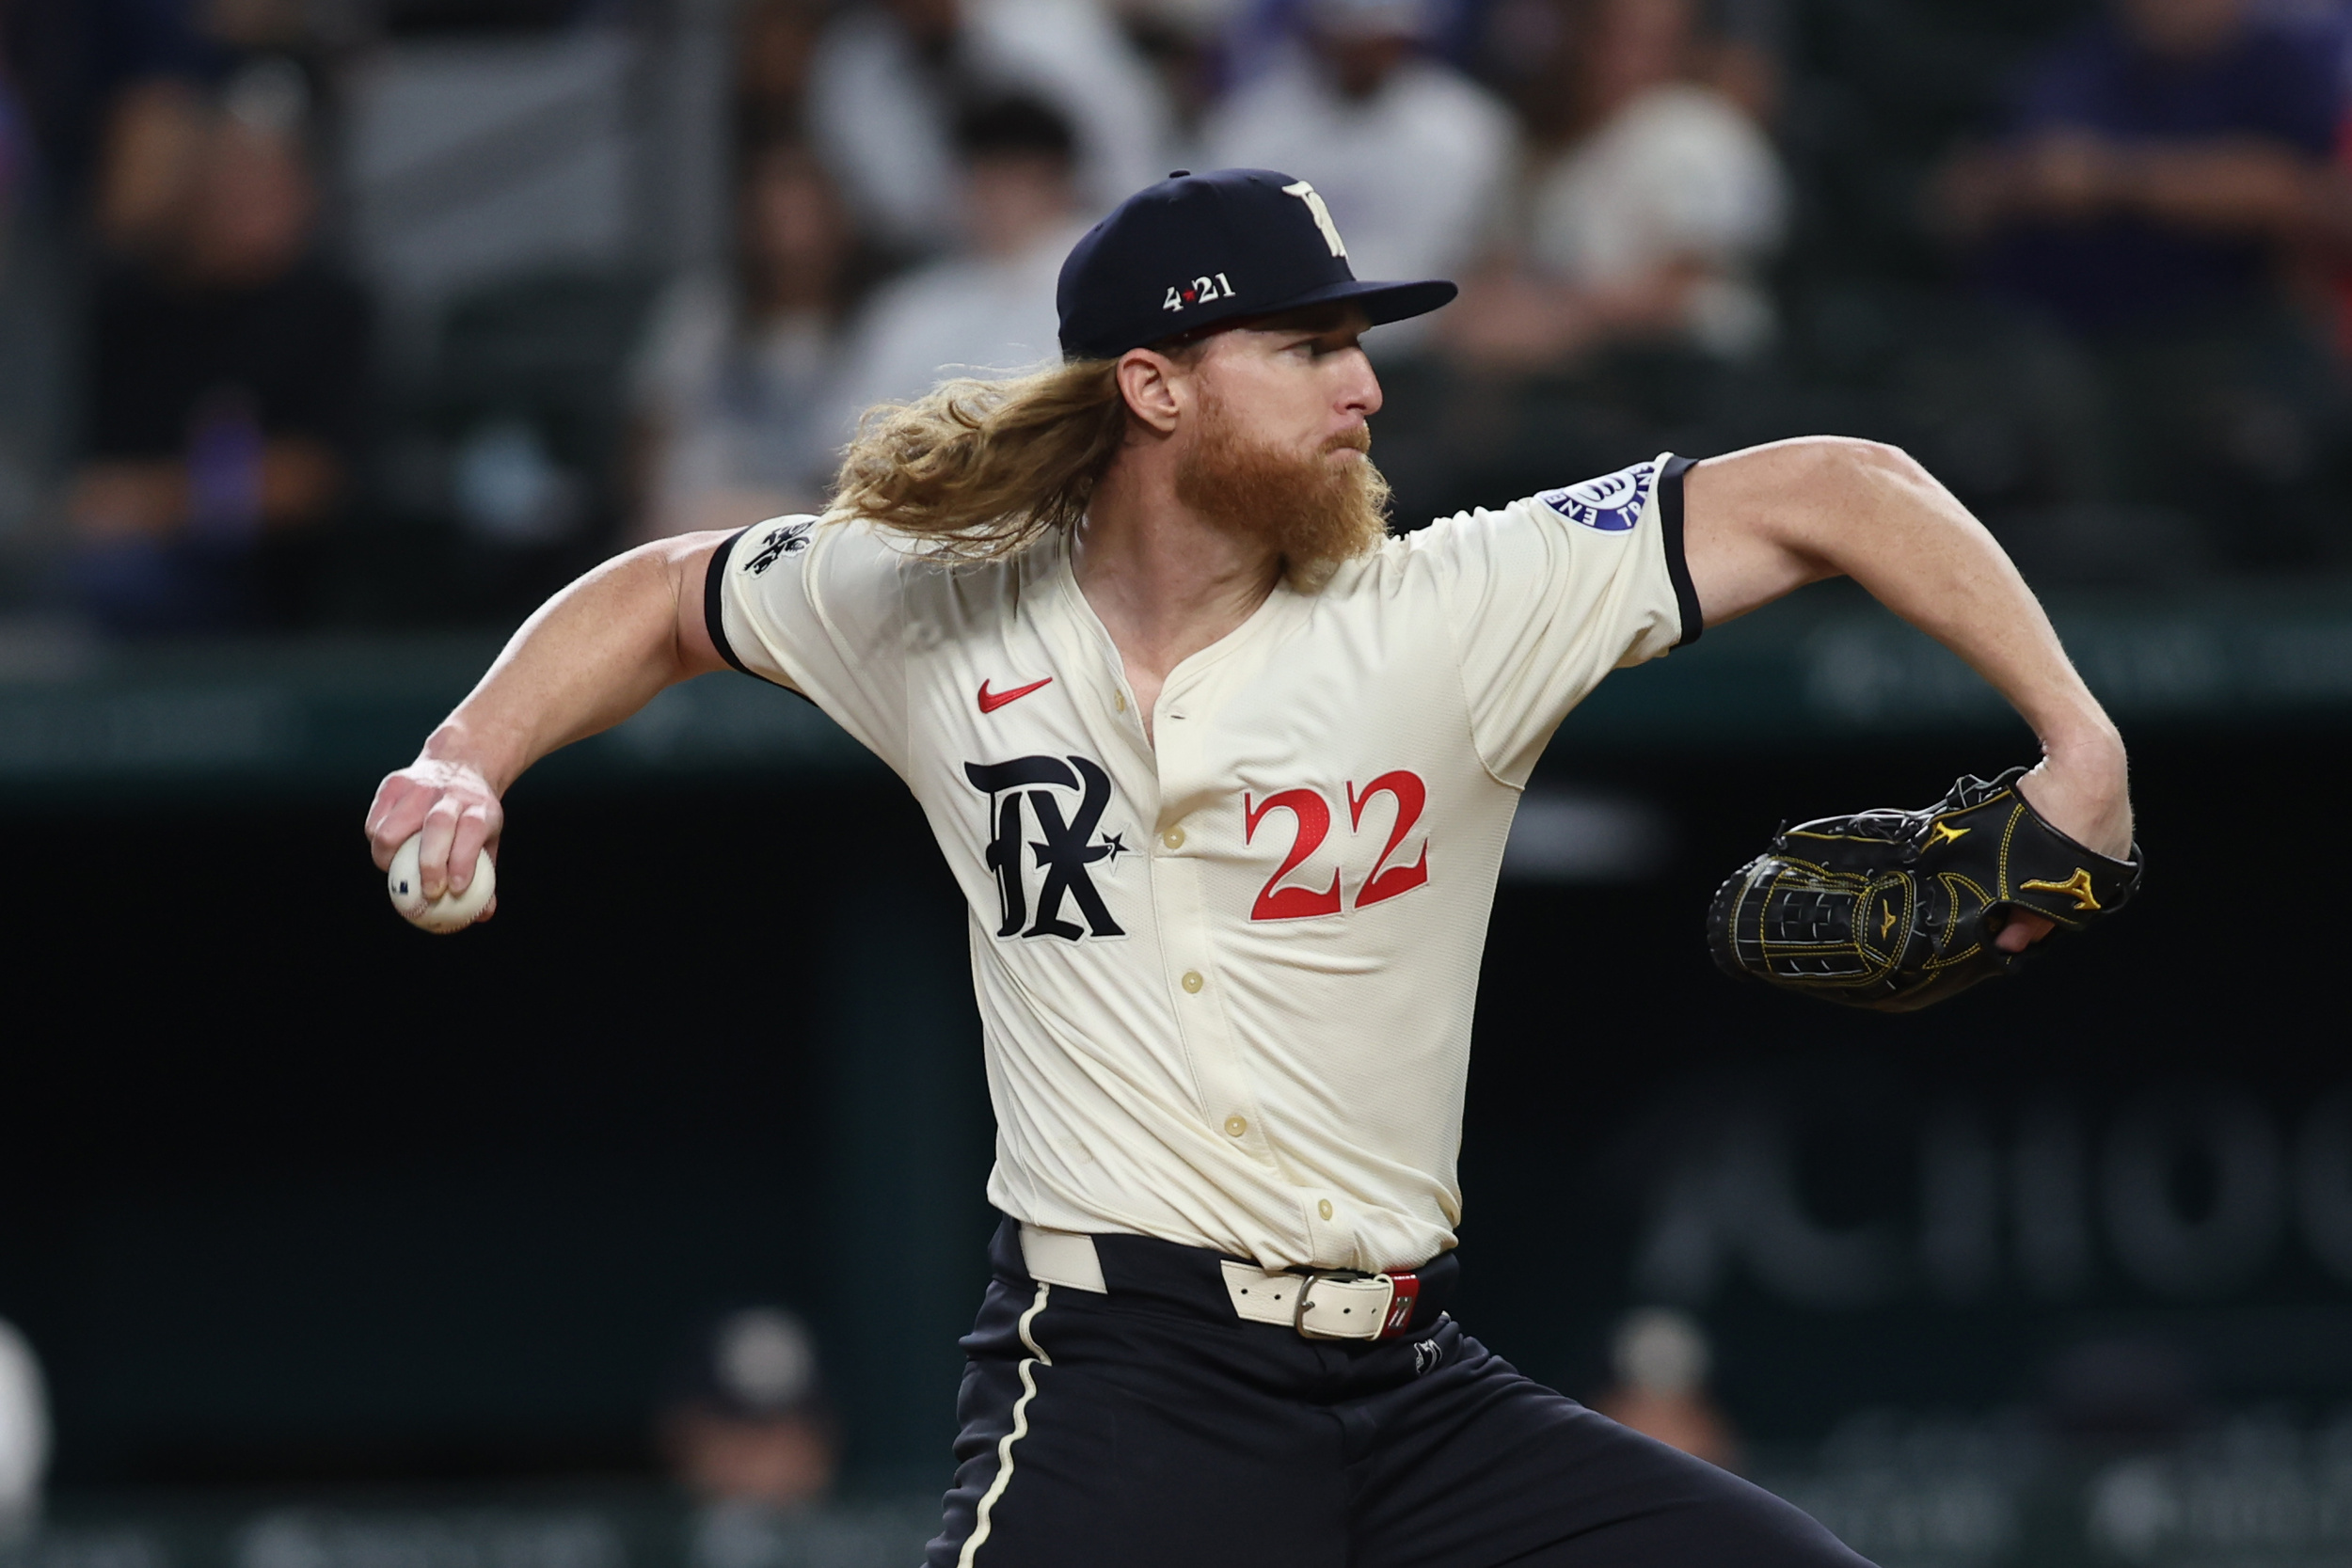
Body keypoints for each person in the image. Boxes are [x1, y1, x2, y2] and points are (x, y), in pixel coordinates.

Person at [366, 168, 2132, 1566]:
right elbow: (667, 592)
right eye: (1306, 345)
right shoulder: (933, 614)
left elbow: (1838, 484)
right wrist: (468, 753)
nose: (1367, 382)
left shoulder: (1453, 606)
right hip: (1125, 1385)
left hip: (1421, 1391)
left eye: (1357, 341)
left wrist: (2079, 744)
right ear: (1155, 385)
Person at [68, 60, 366, 632]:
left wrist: (160, 501)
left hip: (287, 575)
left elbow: (314, 479)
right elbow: (94, 472)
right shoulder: (131, 302)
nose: (248, 197)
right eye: (233, 178)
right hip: (141, 558)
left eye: (269, 180)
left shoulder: (330, 305)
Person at [1447, 0, 1788, 369]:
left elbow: (1684, 282)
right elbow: (1502, 265)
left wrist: (1557, 320)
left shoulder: (1698, 127)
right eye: (1608, 37)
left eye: (1648, 41)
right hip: (1565, 369)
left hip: (1685, 371)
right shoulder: (1550, 144)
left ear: (1685, 47)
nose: (1621, 58)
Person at [1200, 0, 1517, 347]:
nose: (1365, 54)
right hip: (1293, 333)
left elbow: (1494, 253)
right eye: (1351, 38)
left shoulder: (1469, 129)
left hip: (1430, 340)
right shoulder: (1253, 126)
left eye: (1379, 40)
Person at [805, 0, 1170, 258]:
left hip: (1090, 227)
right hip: (955, 256)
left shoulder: (1046, 30)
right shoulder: (860, 59)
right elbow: (894, 210)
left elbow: (1130, 145)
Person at [630, 139, 864, 540]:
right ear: (748, 225)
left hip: (814, 536)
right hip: (689, 531)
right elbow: (648, 439)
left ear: (839, 221)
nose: (791, 240)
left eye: (805, 217)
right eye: (775, 218)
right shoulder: (702, 314)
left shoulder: (885, 323)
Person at [822, 95, 1091, 433]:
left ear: (1060, 185)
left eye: (1019, 180)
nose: (1001, 201)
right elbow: (843, 440)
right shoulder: (914, 310)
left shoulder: (1100, 289)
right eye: (987, 180)